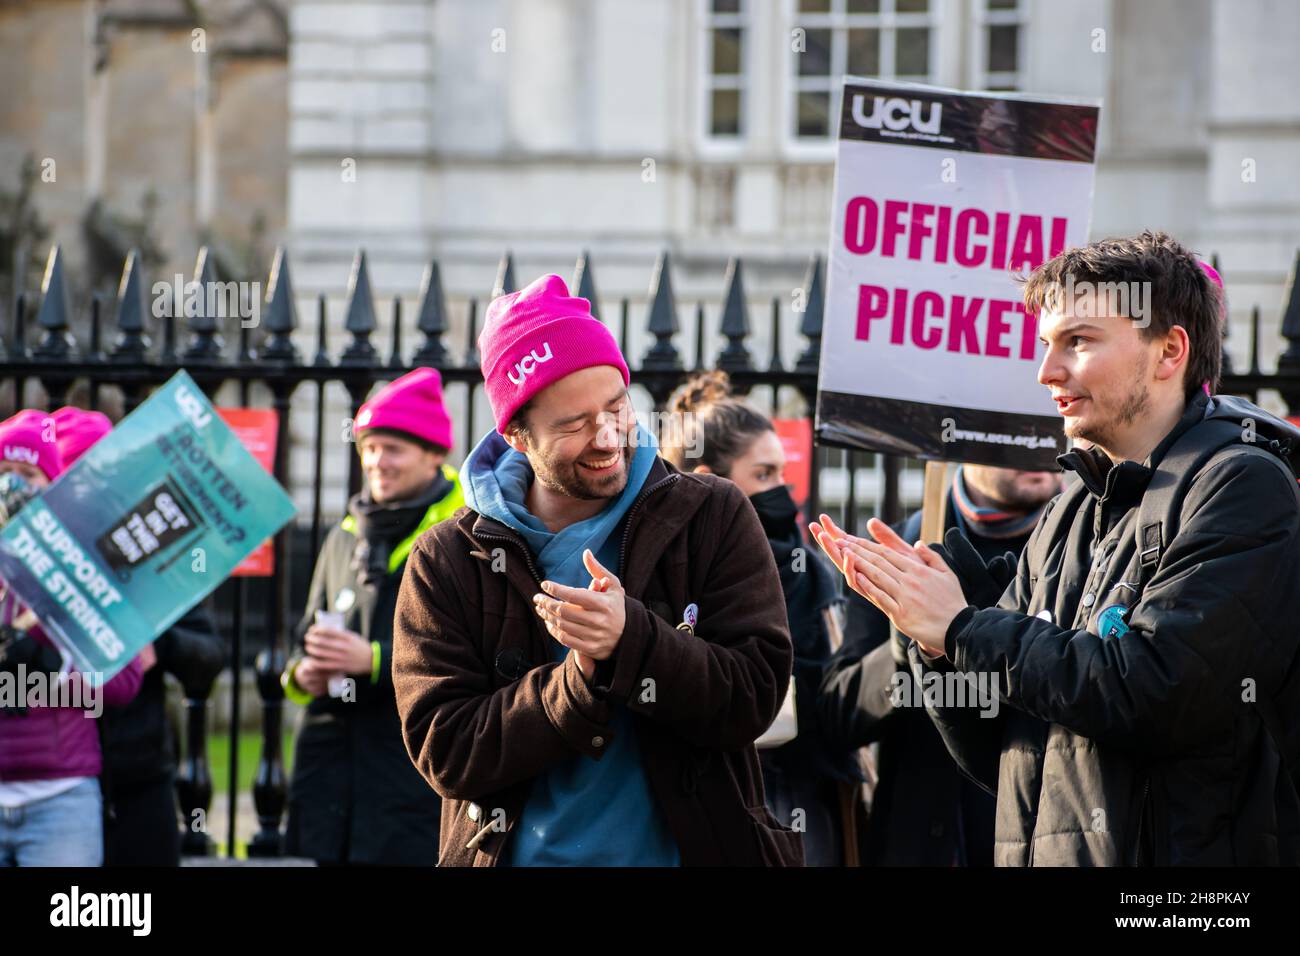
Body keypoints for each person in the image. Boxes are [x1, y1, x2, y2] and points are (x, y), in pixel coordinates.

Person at [812, 230, 1300, 865]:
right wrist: (930, 643)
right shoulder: (1069, 509)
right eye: (1046, 345)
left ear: (1169, 351)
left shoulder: (1242, 484)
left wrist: (963, 629)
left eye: (1079, 341)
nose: (1047, 372)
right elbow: (1009, 753)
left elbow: (1155, 691)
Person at [391, 274, 800, 867]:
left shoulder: (711, 511)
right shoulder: (446, 559)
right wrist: (577, 682)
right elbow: (447, 751)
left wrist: (633, 642)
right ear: (515, 434)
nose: (608, 437)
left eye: (617, 408)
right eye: (575, 423)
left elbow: (753, 698)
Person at [660, 369, 855, 866]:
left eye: (781, 476)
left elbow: (824, 701)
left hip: (791, 794)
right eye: (764, 476)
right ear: (709, 483)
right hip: (693, 797)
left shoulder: (803, 567)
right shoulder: (656, 568)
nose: (781, 495)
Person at [818, 464, 1058, 866]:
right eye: (1009, 434)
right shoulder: (902, 549)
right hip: (916, 842)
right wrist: (906, 648)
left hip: (1032, 840)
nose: (1034, 453)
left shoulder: (1080, 548)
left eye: (1043, 433)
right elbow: (838, 715)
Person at [283, 367, 464, 865]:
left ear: (434, 454)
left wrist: (377, 661)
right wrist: (301, 673)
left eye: (393, 449)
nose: (377, 462)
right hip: (329, 786)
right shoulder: (343, 535)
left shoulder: (465, 535)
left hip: (408, 784)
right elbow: (301, 641)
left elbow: (480, 658)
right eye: (369, 448)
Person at [49, 406, 228, 867]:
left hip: (138, 775)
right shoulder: (29, 562)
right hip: (52, 784)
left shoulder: (158, 559)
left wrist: (159, 645)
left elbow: (208, 659)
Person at [0, 409, 143, 866]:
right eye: (3, 473)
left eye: (28, 474)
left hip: (60, 800)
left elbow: (123, 682)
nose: (13, 486)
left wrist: (50, 673)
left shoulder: (83, 566)